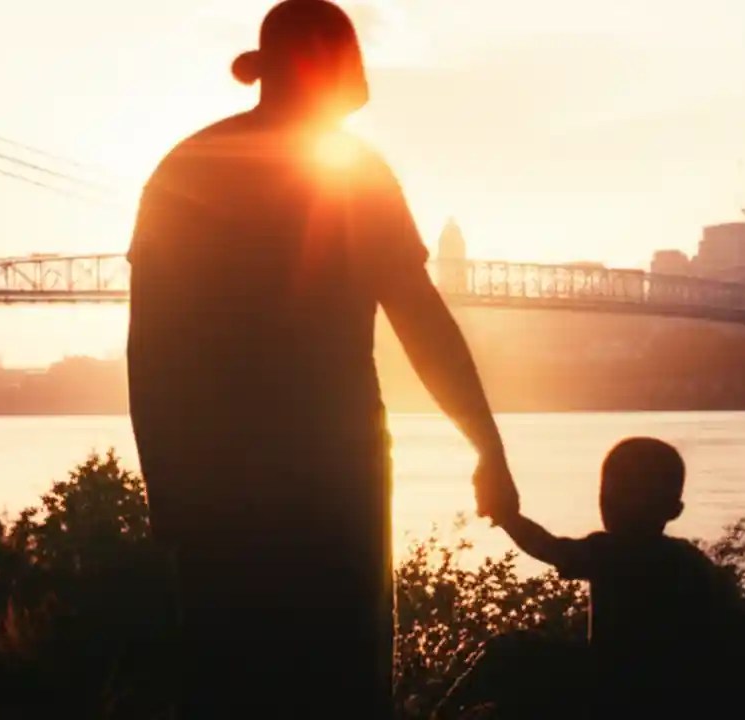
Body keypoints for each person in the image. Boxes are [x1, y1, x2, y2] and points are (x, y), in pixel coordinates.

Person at [125, 1, 517, 717]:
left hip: (218, 482)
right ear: (337, 76)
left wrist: (169, 493)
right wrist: (487, 446)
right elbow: (422, 321)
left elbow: (150, 350)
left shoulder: (184, 169)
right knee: (343, 679)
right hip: (339, 472)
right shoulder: (355, 174)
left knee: (230, 682)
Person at [463, 437, 735, 716]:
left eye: (627, 496)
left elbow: (547, 547)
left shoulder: (611, 551)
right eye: (611, 495)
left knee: (507, 650)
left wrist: (508, 518)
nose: (614, 506)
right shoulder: (688, 560)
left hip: (609, 688)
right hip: (667, 693)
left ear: (673, 510)